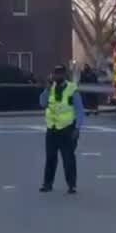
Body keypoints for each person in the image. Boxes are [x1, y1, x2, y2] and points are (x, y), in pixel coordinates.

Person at [39, 64, 84, 194]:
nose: (57, 76)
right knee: (50, 158)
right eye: (55, 73)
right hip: (52, 129)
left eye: (60, 73)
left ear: (64, 75)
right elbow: (42, 103)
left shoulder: (71, 89)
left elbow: (79, 110)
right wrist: (46, 89)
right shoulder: (51, 88)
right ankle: (47, 184)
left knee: (68, 158)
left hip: (67, 129)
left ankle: (72, 185)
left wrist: (77, 128)